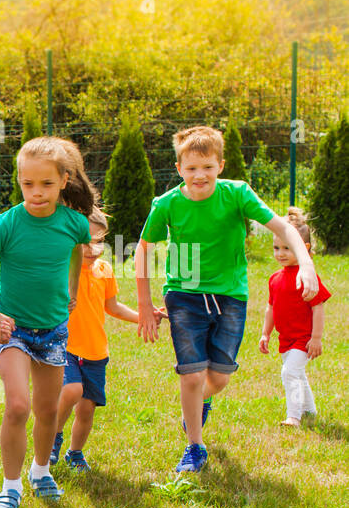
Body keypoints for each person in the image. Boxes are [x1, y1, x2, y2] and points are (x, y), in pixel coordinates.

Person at [133, 125, 321, 472]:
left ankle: (197, 404)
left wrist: (306, 264)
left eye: (207, 167)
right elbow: (142, 250)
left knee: (218, 378)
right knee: (191, 375)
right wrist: (144, 304)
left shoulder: (237, 194)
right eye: (191, 168)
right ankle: (195, 446)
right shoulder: (167, 203)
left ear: (220, 165)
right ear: (179, 169)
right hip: (183, 294)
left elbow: (283, 227)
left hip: (230, 296)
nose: (199, 175)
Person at [0, 136, 95, 508]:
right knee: (18, 405)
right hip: (12, 330)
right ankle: (10, 487)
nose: (36, 193)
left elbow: (77, 251)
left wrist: (72, 289)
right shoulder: (7, 224)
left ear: (64, 180)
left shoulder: (74, 224)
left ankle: (41, 470)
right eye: (28, 184)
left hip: (53, 331)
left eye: (47, 184)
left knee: (48, 409)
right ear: (18, 181)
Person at [51, 209, 164, 471]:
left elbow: (112, 307)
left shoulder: (104, 270)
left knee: (86, 410)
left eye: (99, 241)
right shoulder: (62, 269)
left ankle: (75, 453)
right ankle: (53, 436)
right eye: (86, 242)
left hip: (96, 351)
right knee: (71, 389)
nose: (93, 249)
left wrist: (143, 316)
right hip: (66, 347)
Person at [258, 207, 331, 427]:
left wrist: (316, 338)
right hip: (286, 339)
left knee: (289, 372)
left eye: (287, 248)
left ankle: (294, 416)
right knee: (297, 374)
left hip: (303, 339)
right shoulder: (274, 279)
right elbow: (271, 308)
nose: (280, 253)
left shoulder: (308, 277)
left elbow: (318, 307)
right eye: (276, 248)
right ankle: (309, 409)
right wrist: (265, 334)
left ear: (304, 248)